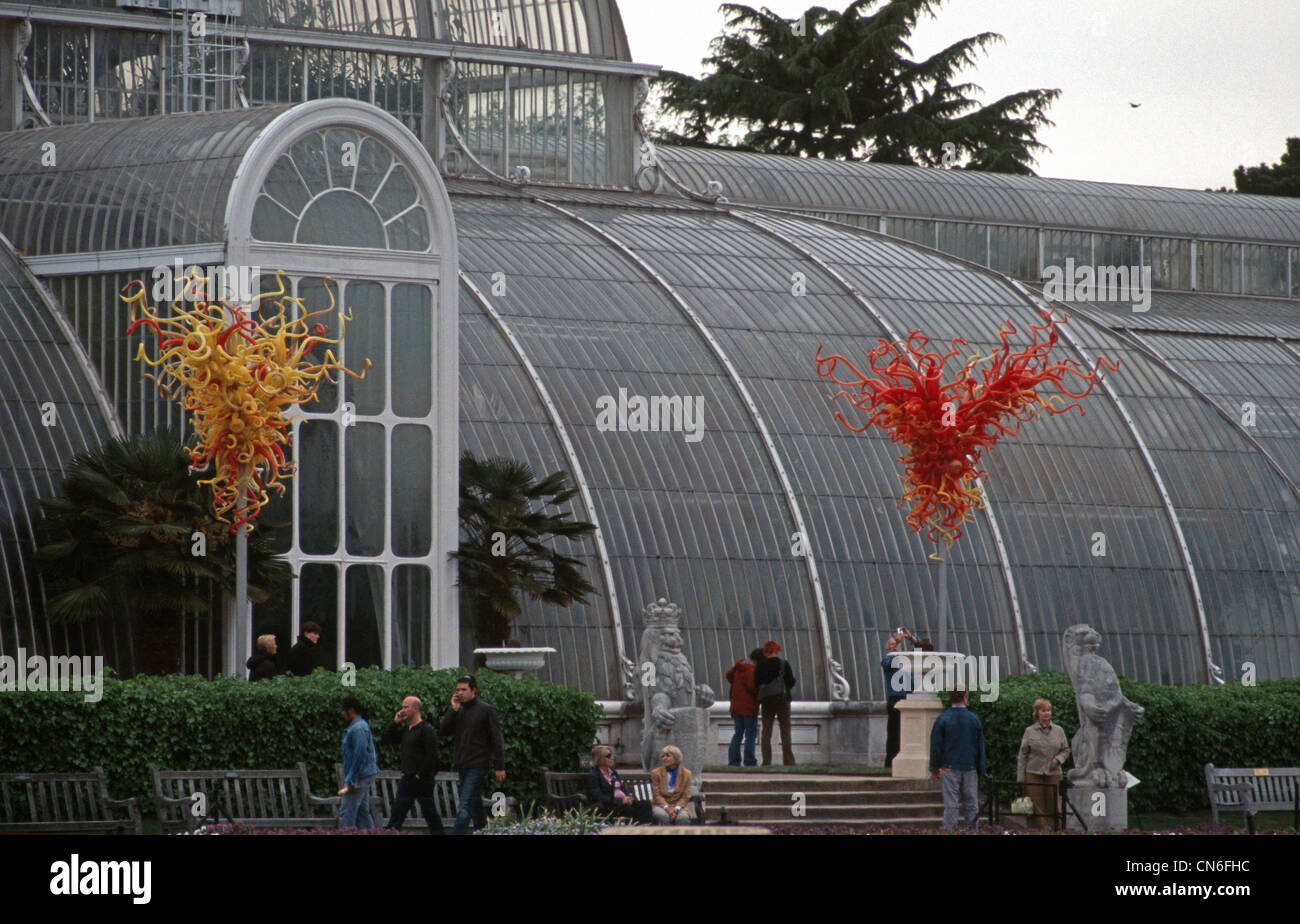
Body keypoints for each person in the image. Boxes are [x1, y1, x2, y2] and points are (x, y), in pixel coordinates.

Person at [439, 674, 506, 835]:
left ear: (473, 690)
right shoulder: (459, 710)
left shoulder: (486, 710)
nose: (460, 693)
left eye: (464, 689)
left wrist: (499, 766)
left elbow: (497, 739)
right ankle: (484, 831)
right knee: (475, 805)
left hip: (478, 764)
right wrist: (453, 710)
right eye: (458, 690)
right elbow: (443, 731)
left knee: (464, 807)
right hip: (463, 764)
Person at [382, 695, 443, 833]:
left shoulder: (426, 729)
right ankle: (390, 831)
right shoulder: (406, 730)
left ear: (416, 708)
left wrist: (419, 775)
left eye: (406, 707)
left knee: (429, 812)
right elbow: (387, 739)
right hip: (407, 777)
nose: (402, 710)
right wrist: (395, 722)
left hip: (422, 779)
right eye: (402, 706)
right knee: (398, 811)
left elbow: (432, 756)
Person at [929, 688, 987, 830]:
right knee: (971, 803)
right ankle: (972, 830)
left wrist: (934, 767)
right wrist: (981, 769)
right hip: (970, 766)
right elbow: (980, 746)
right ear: (965, 697)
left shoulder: (943, 719)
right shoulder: (974, 719)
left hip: (949, 766)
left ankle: (950, 830)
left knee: (951, 804)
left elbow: (936, 745)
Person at [1017, 698, 1070, 830]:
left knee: (1054, 805)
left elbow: (1066, 750)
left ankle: (1055, 830)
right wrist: (1021, 778)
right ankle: (1038, 831)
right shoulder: (1029, 731)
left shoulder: (1059, 730)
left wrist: (1058, 759)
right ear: (1037, 713)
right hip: (1033, 773)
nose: (1047, 713)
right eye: (1043, 710)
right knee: (1036, 807)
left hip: (1053, 773)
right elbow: (1022, 755)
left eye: (1049, 710)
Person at [339, 695, 379, 829]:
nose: (342, 714)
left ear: (350, 710)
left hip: (359, 776)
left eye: (343, 710)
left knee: (347, 810)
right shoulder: (358, 726)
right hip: (362, 775)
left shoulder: (358, 728)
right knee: (362, 812)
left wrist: (352, 780)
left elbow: (360, 754)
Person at [754, 639, 796, 766]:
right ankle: (788, 761)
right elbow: (790, 682)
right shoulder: (783, 663)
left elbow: (756, 684)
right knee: (785, 730)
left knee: (766, 731)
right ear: (777, 650)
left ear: (766, 651)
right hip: (782, 700)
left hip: (767, 701)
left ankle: (766, 761)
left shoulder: (760, 666)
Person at [587, 745, 650, 824]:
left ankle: (646, 829)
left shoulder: (612, 772)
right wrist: (620, 801)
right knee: (630, 810)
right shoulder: (594, 775)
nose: (612, 758)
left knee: (645, 804)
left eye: (612, 755)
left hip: (624, 802)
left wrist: (628, 797)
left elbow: (622, 788)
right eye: (608, 756)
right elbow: (597, 795)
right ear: (600, 758)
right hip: (609, 806)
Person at [725, 647, 761, 767]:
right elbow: (752, 687)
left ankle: (733, 761)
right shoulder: (752, 670)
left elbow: (728, 676)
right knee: (750, 735)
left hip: (736, 707)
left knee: (737, 734)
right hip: (749, 707)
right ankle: (749, 761)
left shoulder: (738, 667)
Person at [649, 745, 694, 824]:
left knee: (682, 818)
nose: (664, 758)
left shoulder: (686, 774)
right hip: (661, 805)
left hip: (679, 806)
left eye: (668, 756)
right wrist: (667, 808)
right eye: (663, 756)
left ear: (676, 758)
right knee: (663, 816)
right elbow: (657, 795)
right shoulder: (656, 773)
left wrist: (676, 808)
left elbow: (686, 795)